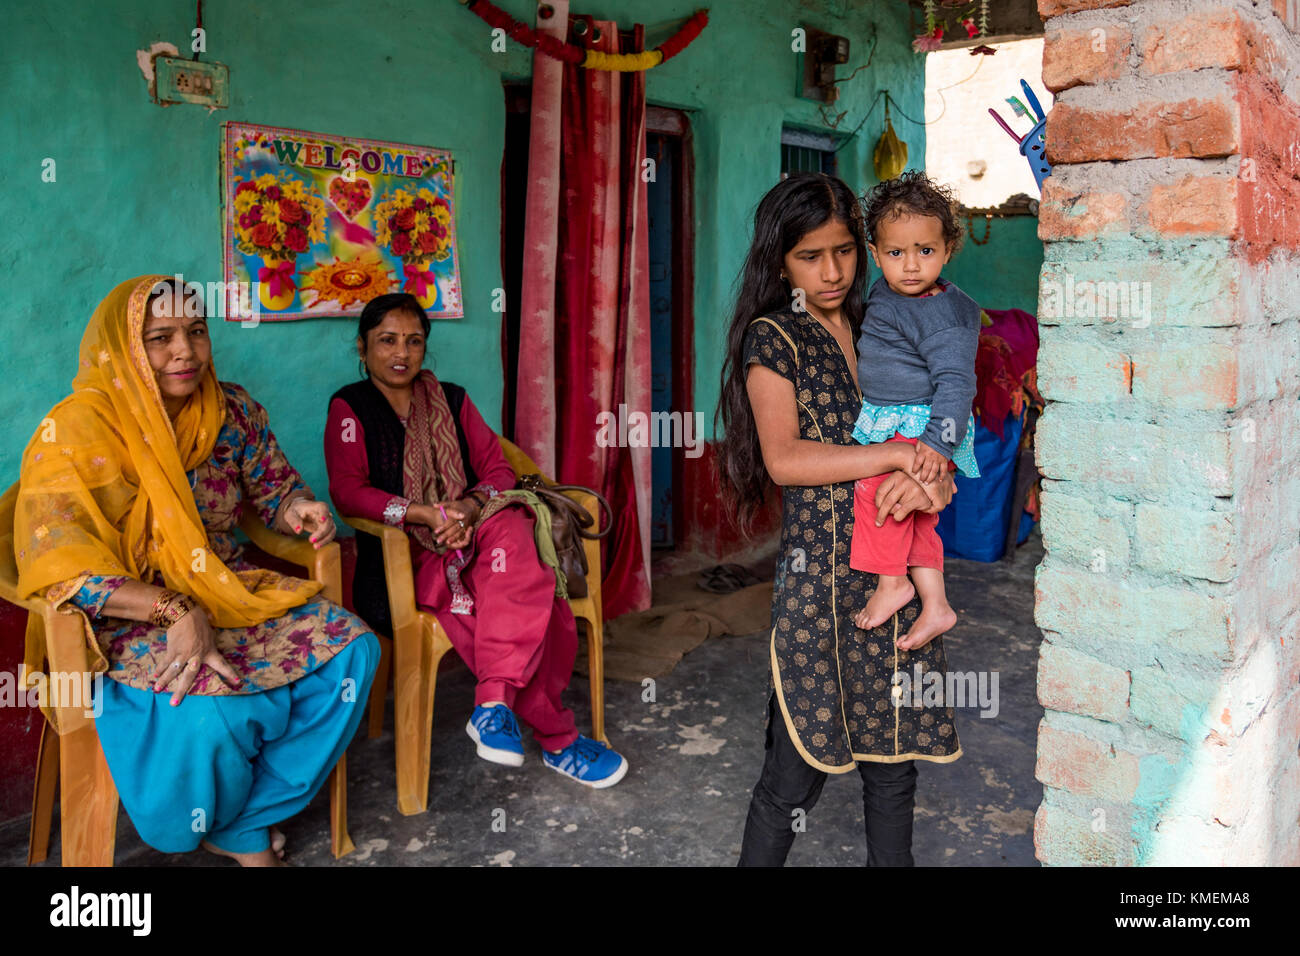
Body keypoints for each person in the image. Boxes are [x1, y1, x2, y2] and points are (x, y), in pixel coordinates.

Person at [6, 275, 380, 867]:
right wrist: (174, 609)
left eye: (196, 332)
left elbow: (274, 489)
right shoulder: (78, 429)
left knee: (353, 652)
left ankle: (244, 821)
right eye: (160, 337)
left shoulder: (231, 409)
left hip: (228, 588)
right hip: (123, 616)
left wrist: (299, 509)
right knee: (211, 706)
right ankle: (203, 821)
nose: (185, 350)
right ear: (123, 348)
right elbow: (61, 564)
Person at [715, 172, 961, 867]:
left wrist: (930, 481)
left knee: (894, 765)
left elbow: (930, 432)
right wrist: (892, 454)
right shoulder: (775, 338)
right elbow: (785, 460)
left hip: (894, 573)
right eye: (810, 256)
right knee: (794, 777)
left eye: (847, 251)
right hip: (819, 585)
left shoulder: (879, 320)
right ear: (778, 260)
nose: (833, 272)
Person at [323, 293, 627, 788]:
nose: (402, 352)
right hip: (408, 559)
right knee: (514, 608)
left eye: (414, 341)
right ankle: (558, 740)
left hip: (478, 541)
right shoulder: (350, 408)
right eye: (387, 341)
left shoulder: (453, 399)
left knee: (512, 529)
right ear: (362, 348)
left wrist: (464, 509)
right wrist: (423, 513)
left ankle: (492, 704)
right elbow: (349, 493)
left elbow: (497, 470)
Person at [850, 170, 982, 647]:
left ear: (948, 250)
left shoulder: (945, 314)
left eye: (925, 251)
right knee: (915, 515)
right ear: (875, 254)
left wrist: (936, 446)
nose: (910, 265)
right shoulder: (887, 290)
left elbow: (957, 384)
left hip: (924, 422)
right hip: (899, 418)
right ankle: (937, 605)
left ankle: (892, 584)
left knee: (875, 490)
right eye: (895, 253)